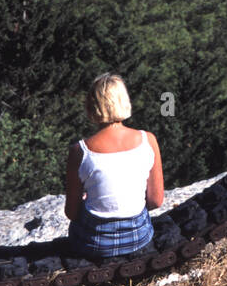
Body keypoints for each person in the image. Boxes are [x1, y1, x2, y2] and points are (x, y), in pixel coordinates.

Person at [64, 72, 165, 261]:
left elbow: (72, 212)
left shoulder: (80, 151)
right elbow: (156, 201)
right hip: (138, 238)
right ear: (125, 101)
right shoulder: (148, 140)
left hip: (94, 244)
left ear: (92, 106)